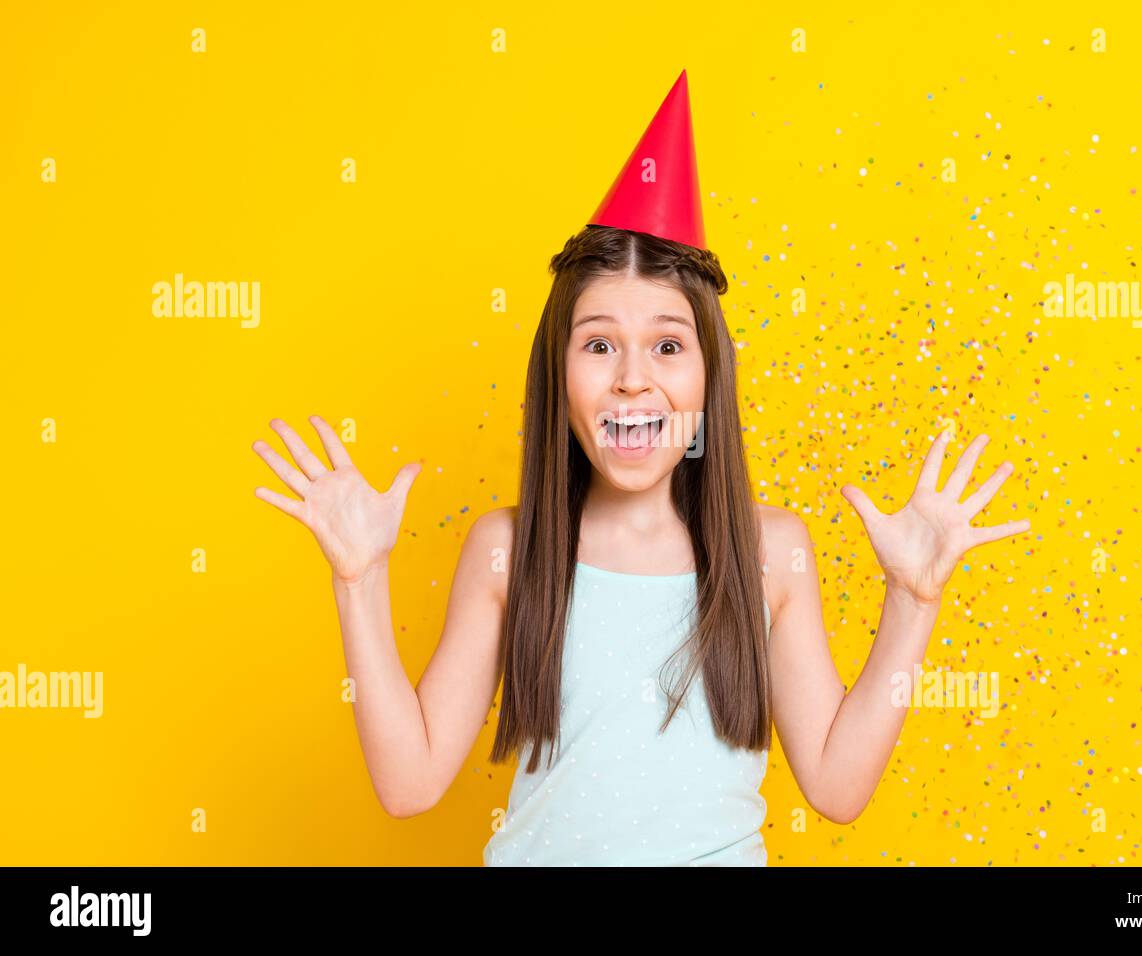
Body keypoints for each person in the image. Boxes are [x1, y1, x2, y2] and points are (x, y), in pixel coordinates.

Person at [250, 70, 1030, 866]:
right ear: (559, 373)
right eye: (598, 345)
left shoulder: (773, 553)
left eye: (666, 345)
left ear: (707, 376)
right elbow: (409, 782)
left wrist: (910, 600)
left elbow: (837, 787)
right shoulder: (505, 550)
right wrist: (359, 578)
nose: (631, 378)